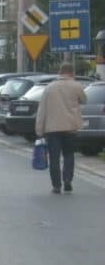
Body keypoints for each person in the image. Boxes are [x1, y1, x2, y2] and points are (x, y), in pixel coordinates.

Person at [35, 63, 87, 194]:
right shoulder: (77, 86)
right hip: (70, 128)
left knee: (54, 158)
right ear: (71, 72)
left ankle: (56, 186)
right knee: (69, 155)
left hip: (52, 129)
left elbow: (42, 110)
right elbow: (84, 100)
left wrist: (39, 130)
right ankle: (68, 180)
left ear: (60, 72)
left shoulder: (49, 88)